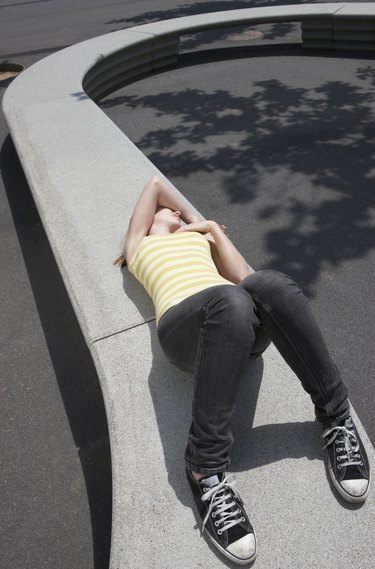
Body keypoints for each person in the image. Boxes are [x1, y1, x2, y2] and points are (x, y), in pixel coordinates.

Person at [114, 176, 370, 565]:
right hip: (186, 330)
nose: (176, 210)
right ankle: (204, 469)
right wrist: (186, 218)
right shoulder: (138, 247)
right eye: (170, 211)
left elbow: (241, 277)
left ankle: (335, 415)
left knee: (269, 282)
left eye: (180, 212)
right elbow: (153, 184)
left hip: (236, 325)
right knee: (230, 300)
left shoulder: (201, 238)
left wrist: (210, 229)